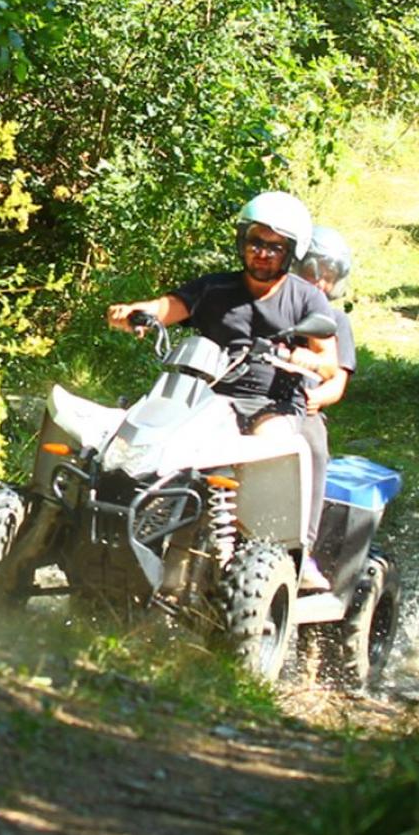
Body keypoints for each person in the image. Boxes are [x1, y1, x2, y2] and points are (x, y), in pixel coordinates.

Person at [105, 191, 339, 589]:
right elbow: (170, 306)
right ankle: (136, 531)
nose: (262, 254)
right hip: (208, 397)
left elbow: (329, 359)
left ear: (291, 253)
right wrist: (134, 312)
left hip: (272, 404)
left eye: (274, 247)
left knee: (270, 453)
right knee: (158, 445)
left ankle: (288, 555)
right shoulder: (215, 287)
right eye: (255, 243)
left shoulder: (306, 298)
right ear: (242, 242)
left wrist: (307, 361)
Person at [295, 224, 358, 417]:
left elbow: (338, 380)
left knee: (312, 443)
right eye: (312, 274)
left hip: (303, 406)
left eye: (328, 277)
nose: (320, 283)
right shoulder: (277, 306)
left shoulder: (336, 320)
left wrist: (318, 397)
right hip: (257, 397)